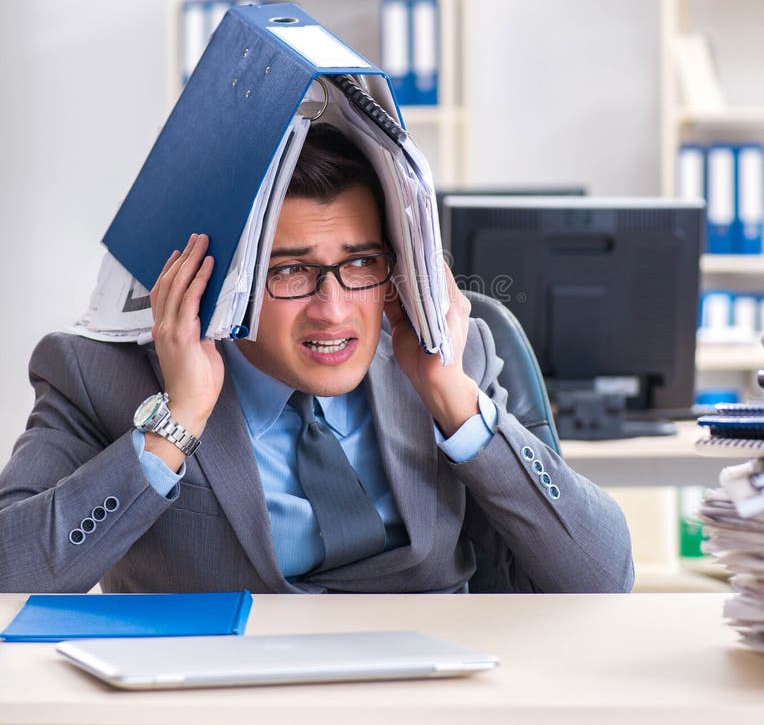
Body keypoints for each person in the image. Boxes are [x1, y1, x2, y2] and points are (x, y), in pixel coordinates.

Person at [0, 125, 633, 593]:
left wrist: (454, 400)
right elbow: (10, 576)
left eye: (361, 263)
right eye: (290, 271)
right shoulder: (97, 374)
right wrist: (177, 421)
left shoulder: (454, 350)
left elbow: (605, 578)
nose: (332, 310)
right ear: (227, 283)